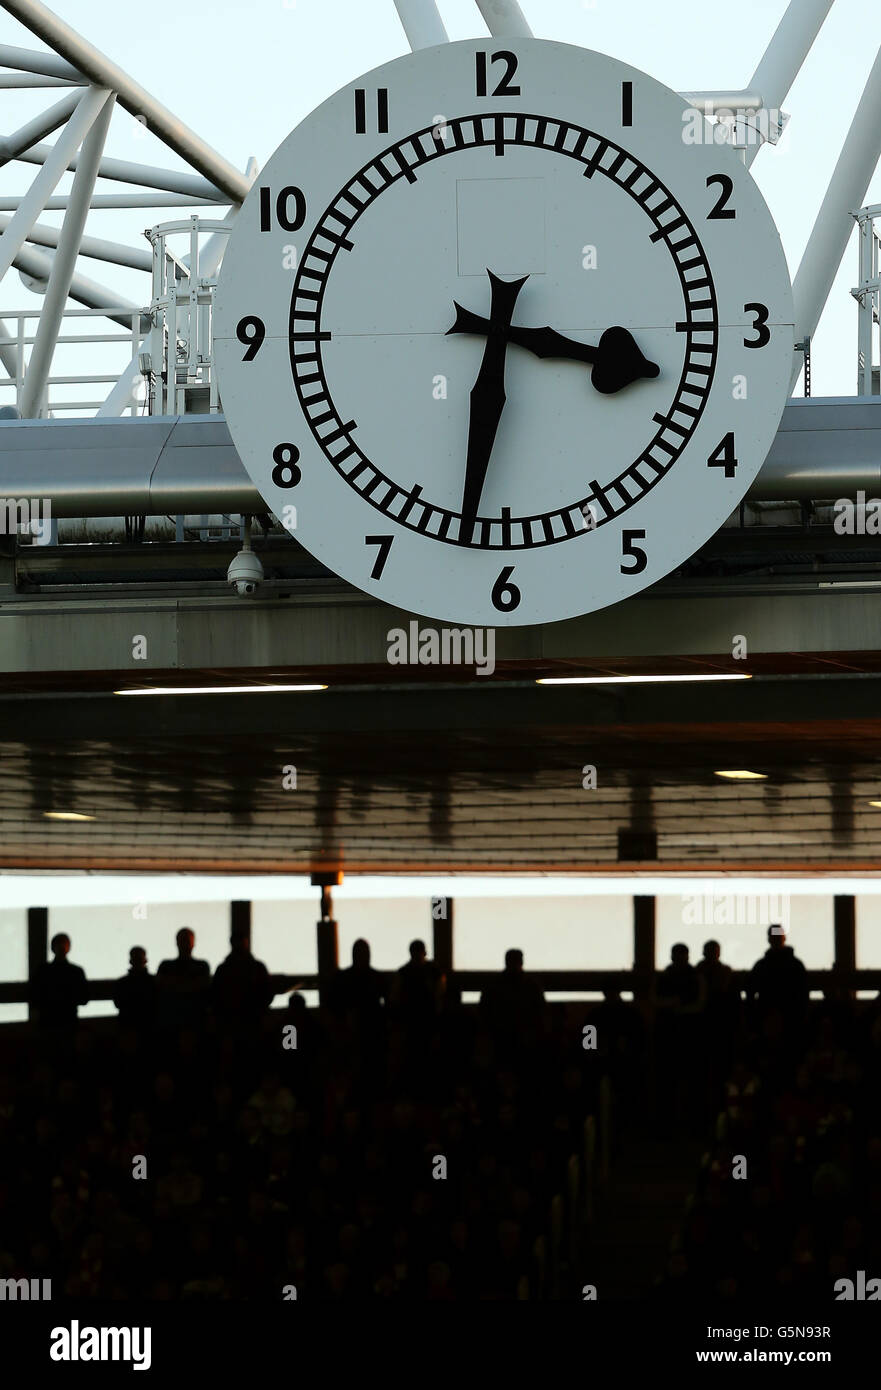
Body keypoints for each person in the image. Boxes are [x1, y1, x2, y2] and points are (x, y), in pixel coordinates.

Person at [213, 926, 274, 1030]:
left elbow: (215, 995)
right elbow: (268, 993)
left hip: (229, 1020)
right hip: (253, 1019)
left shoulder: (223, 969)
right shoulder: (258, 967)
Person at [747, 926, 809, 1025]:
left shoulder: (761, 965)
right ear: (784, 938)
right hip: (791, 1017)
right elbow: (803, 993)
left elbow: (751, 992)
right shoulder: (796, 965)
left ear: (769, 940)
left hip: (766, 1017)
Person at [31, 933, 88, 1030]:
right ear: (69, 948)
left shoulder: (43, 971)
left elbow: (34, 996)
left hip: (47, 1020)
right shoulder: (76, 971)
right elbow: (84, 998)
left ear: (52, 948)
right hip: (68, 1020)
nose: (61, 947)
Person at [156, 928, 210, 1029]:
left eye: (186, 941)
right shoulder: (201, 967)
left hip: (172, 1019)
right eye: (183, 941)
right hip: (194, 1019)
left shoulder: (166, 966)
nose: (185, 944)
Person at [113, 946, 158, 1032]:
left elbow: (118, 1003)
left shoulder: (121, 983)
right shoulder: (154, 981)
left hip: (128, 1024)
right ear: (145, 960)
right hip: (150, 1023)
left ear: (130, 961)